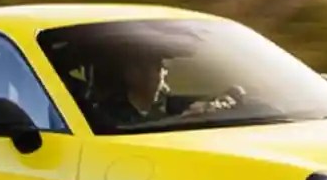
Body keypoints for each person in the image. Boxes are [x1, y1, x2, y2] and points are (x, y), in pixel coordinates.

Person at [88, 50, 244, 127]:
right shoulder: (108, 114)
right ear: (130, 74)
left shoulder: (170, 104)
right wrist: (184, 119)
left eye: (160, 67)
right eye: (153, 67)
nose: (159, 74)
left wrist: (225, 100)